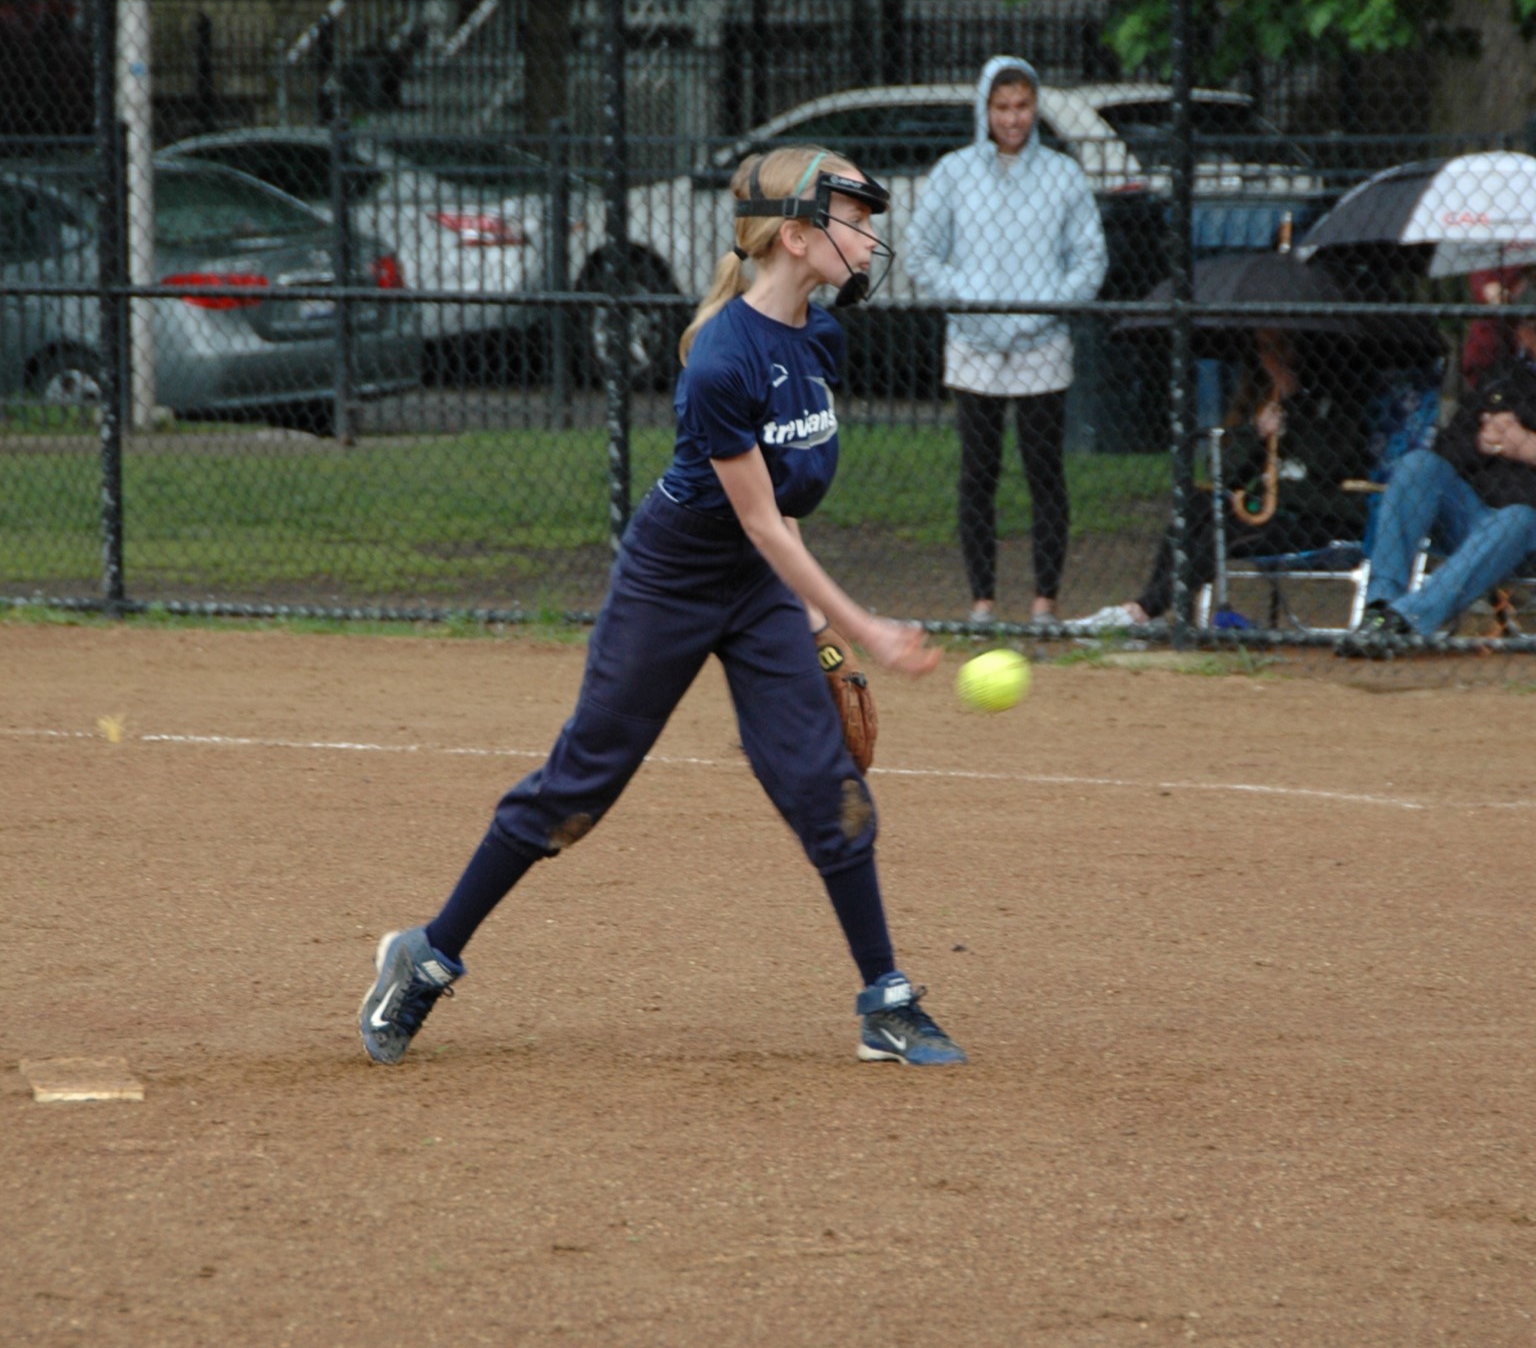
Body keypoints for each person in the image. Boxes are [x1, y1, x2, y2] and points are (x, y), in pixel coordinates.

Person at [358, 145, 966, 1070]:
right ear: (796, 237)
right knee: (577, 791)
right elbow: (757, 523)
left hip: (759, 591)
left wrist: (806, 624)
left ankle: (885, 1000)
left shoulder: (821, 342)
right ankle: (427, 956)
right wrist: (863, 625)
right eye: (856, 217)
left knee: (828, 790)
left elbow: (780, 523)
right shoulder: (722, 358)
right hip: (671, 584)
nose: (871, 234)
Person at [905, 56, 1107, 624]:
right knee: (978, 474)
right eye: (1001, 107)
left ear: (1035, 107)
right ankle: (982, 601)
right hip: (973, 344)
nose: (1012, 119)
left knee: (1045, 473)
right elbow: (921, 250)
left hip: (1042, 344)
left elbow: (1090, 256)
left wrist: (1046, 307)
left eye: (1022, 106)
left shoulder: (1063, 175)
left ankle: (1046, 601)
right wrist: (967, 298)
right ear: (983, 110)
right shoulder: (954, 172)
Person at [1077, 329, 1373, 628]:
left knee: (1221, 531)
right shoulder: (1260, 402)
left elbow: (1328, 466)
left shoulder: (1338, 404)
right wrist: (1256, 435)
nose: (1275, 358)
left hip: (1316, 517)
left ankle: (1140, 612)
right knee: (1195, 506)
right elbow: (1223, 474)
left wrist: (1296, 404)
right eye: (1266, 349)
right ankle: (1151, 610)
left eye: (1282, 347)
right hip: (1263, 513)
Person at [1355, 281, 1536, 646]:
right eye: (1527, 324)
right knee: (1418, 464)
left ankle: (1406, 620)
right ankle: (1381, 607)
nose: (1528, 333)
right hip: (1472, 515)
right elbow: (1447, 447)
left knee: (1518, 518)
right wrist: (1483, 442)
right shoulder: (1503, 376)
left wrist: (1528, 447)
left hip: (1526, 530)